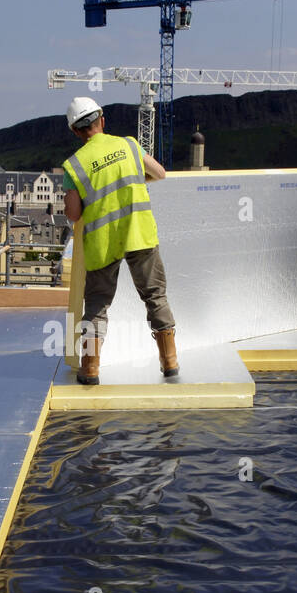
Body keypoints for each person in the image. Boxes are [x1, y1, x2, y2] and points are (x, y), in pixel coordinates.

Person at [61, 96, 177, 385]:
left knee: (97, 307)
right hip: (139, 234)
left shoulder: (74, 165)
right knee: (155, 297)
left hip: (103, 242)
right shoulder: (129, 145)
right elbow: (160, 173)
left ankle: (89, 369)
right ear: (102, 119)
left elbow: (74, 214)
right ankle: (170, 363)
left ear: (75, 131)